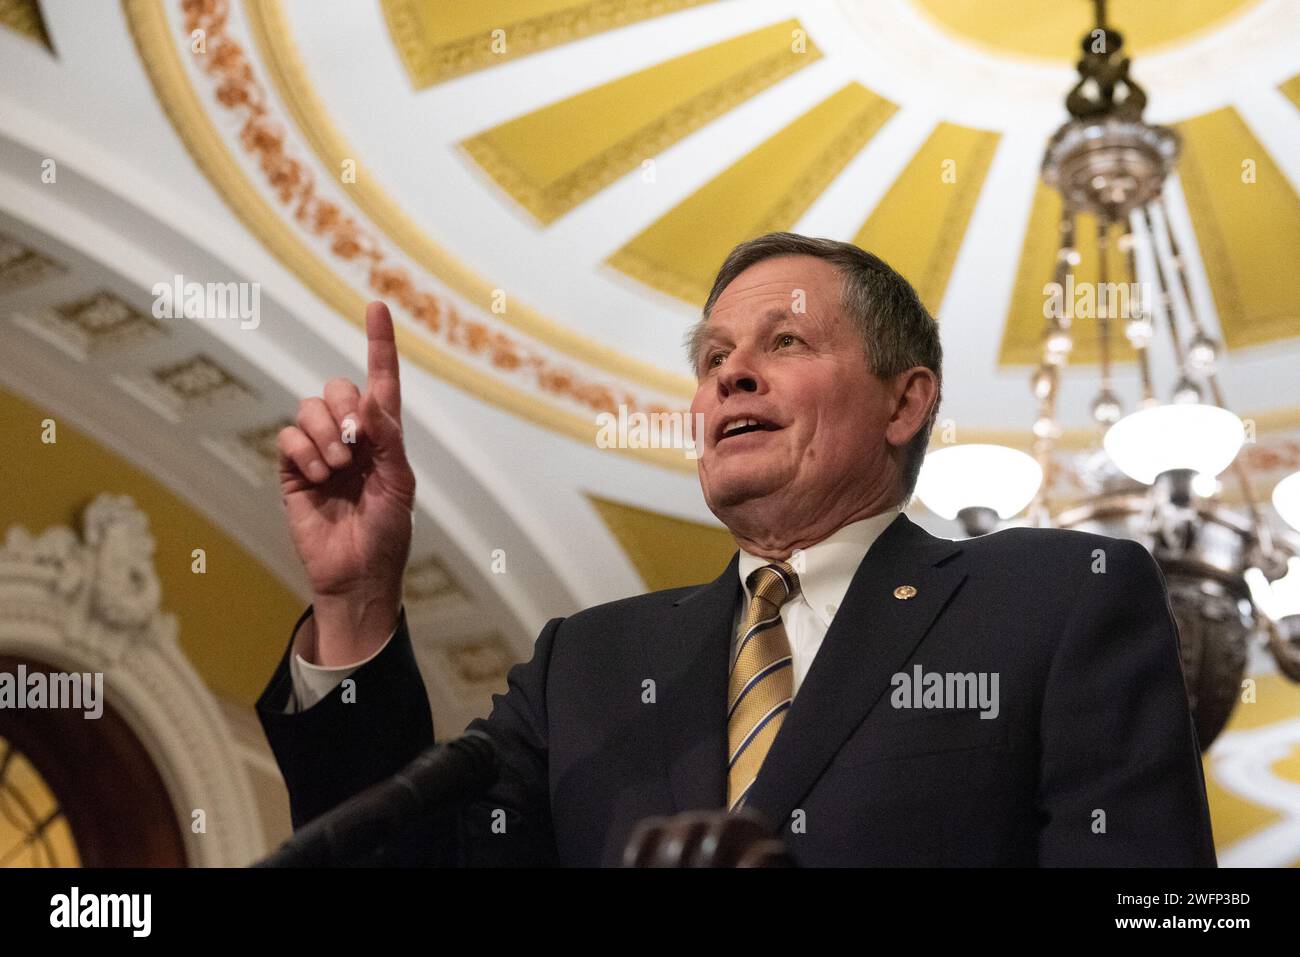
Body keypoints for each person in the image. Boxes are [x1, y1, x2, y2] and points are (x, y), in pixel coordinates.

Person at [257, 232, 1216, 867]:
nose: (732, 375)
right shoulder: (586, 666)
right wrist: (356, 598)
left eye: (787, 340)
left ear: (905, 400)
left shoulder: (1053, 601)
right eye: (713, 359)